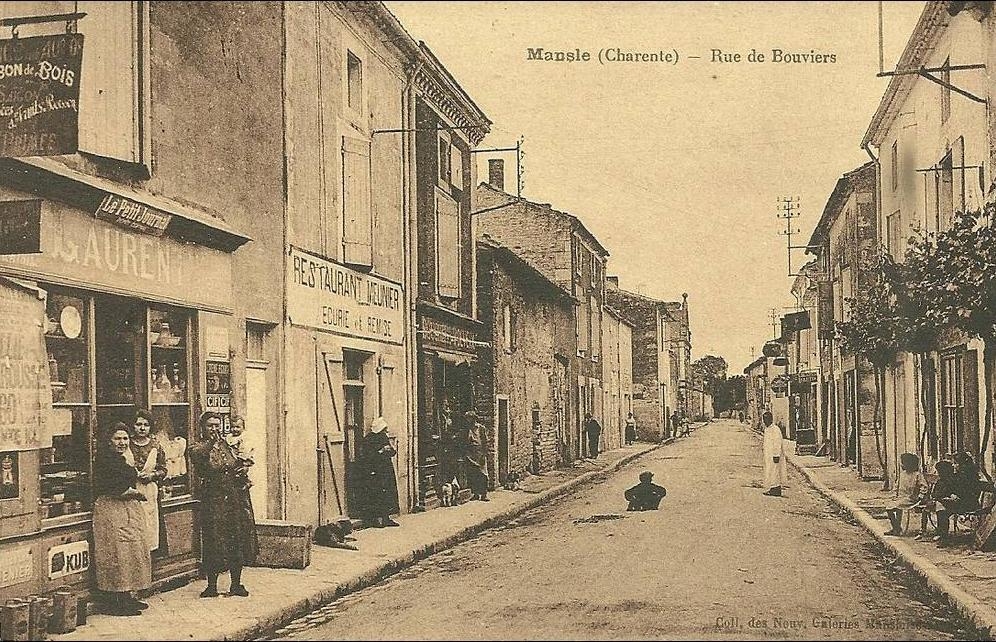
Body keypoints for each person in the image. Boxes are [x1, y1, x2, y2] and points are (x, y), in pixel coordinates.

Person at [189, 412, 258, 598]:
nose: (214, 429)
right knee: (213, 541)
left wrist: (243, 468)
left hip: (233, 498)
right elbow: (200, 460)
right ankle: (211, 586)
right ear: (203, 427)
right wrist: (211, 442)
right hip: (213, 499)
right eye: (210, 425)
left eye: (217, 425)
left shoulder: (227, 443)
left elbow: (235, 463)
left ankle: (236, 584)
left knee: (236, 539)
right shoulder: (197, 446)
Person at [92, 423, 152, 616]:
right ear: (109, 441)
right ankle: (115, 602)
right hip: (111, 510)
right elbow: (112, 487)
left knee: (130, 552)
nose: (122, 442)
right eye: (117, 438)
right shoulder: (105, 460)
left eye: (125, 438)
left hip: (126, 509)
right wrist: (135, 493)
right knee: (116, 554)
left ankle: (127, 596)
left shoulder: (121, 459)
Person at [129, 409, 168, 555]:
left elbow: (163, 469)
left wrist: (152, 475)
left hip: (149, 491)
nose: (142, 428)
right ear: (133, 426)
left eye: (146, 425)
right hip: (131, 489)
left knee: (150, 524)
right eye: (139, 424)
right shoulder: (127, 444)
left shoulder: (155, 446)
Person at [359, 416, 401, 526]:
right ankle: (376, 520)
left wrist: (390, 449)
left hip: (386, 469)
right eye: (384, 429)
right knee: (376, 494)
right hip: (374, 469)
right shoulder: (369, 439)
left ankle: (386, 518)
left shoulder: (384, 438)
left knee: (388, 493)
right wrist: (381, 451)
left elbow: (392, 453)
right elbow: (367, 456)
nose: (386, 431)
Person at [885, 452, 926, 536]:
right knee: (889, 507)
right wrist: (894, 495)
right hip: (901, 497)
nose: (903, 465)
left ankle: (896, 529)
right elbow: (896, 486)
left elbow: (924, 487)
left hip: (911, 499)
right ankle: (896, 527)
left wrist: (920, 496)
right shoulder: (902, 474)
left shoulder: (917, 475)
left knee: (895, 507)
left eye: (905, 463)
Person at [461, 411, 490, 501]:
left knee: (483, 474)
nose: (468, 420)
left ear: (474, 419)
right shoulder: (467, 429)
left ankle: (484, 494)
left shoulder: (481, 428)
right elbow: (465, 441)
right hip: (470, 453)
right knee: (473, 474)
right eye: (467, 419)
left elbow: (485, 442)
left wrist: (484, 454)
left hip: (479, 452)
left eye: (469, 418)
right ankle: (476, 494)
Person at [761, 411, 786, 497]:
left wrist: (776, 454)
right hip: (769, 455)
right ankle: (773, 488)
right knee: (771, 472)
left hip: (774, 455)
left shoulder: (775, 429)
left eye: (767, 419)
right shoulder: (767, 429)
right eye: (764, 420)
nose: (765, 421)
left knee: (775, 471)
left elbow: (777, 443)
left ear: (771, 419)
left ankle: (776, 490)